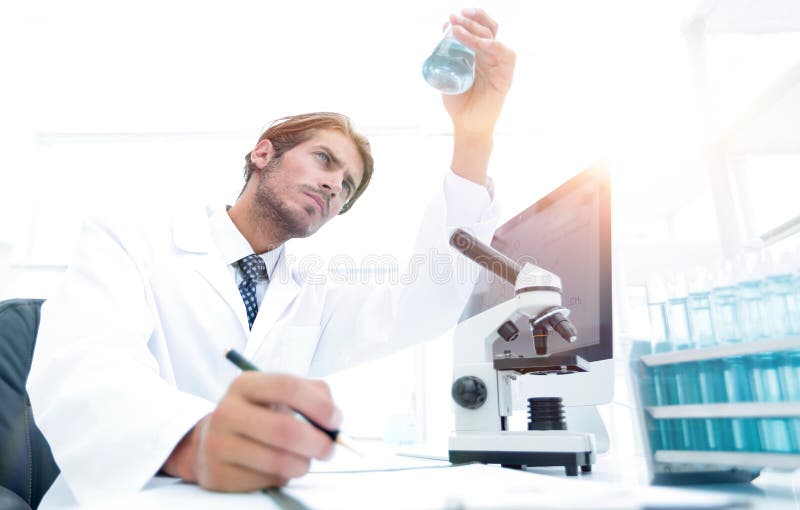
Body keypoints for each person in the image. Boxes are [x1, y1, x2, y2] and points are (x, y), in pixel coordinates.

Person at [27, 7, 516, 506]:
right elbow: (82, 368)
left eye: (346, 186)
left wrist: (473, 137)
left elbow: (426, 305)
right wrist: (189, 441)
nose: (333, 185)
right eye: (324, 159)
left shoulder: (314, 294)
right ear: (263, 154)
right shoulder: (128, 238)